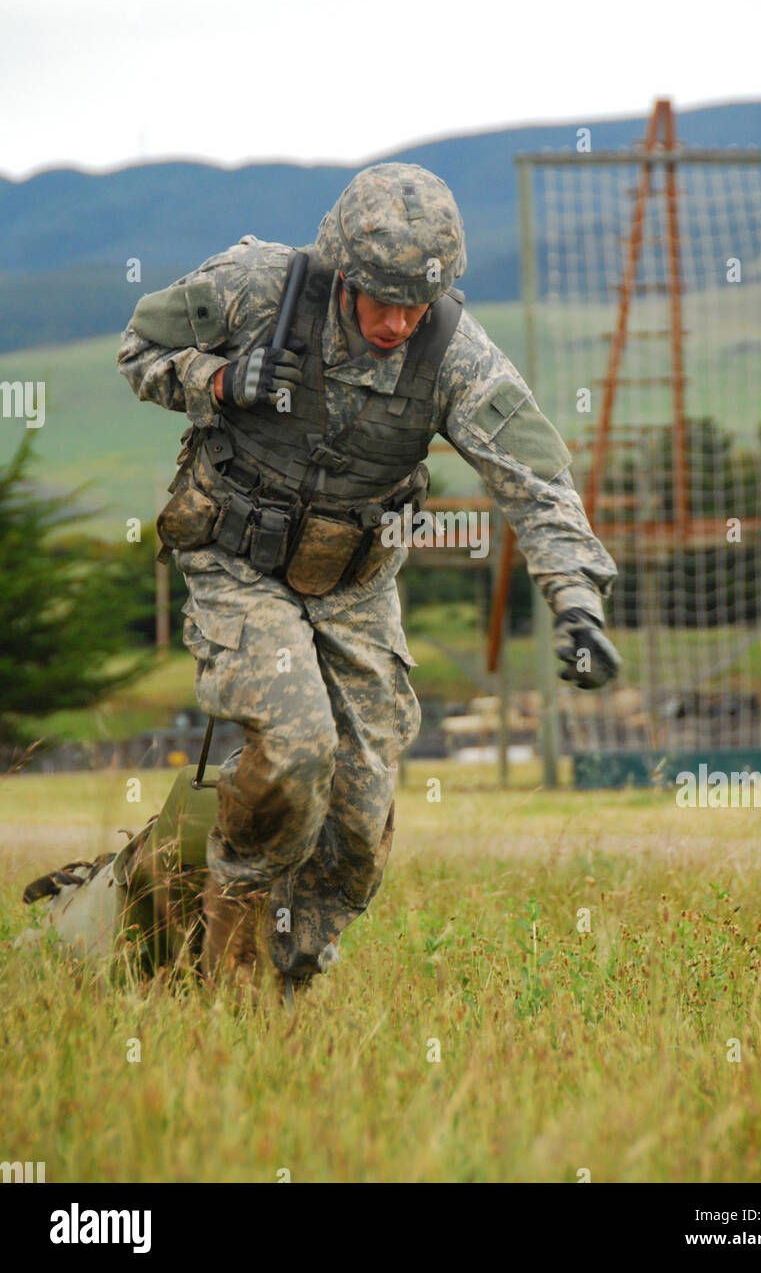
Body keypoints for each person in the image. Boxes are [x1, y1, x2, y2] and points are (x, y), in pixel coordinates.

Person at [117, 162, 620, 1006]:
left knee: (358, 816)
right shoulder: (252, 290)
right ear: (342, 273)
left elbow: (534, 481)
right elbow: (138, 349)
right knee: (296, 747)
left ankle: (288, 975)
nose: (395, 322)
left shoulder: (456, 355)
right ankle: (225, 972)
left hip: (355, 581)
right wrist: (216, 381)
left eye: (413, 305)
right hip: (235, 555)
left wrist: (576, 600)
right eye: (379, 300)